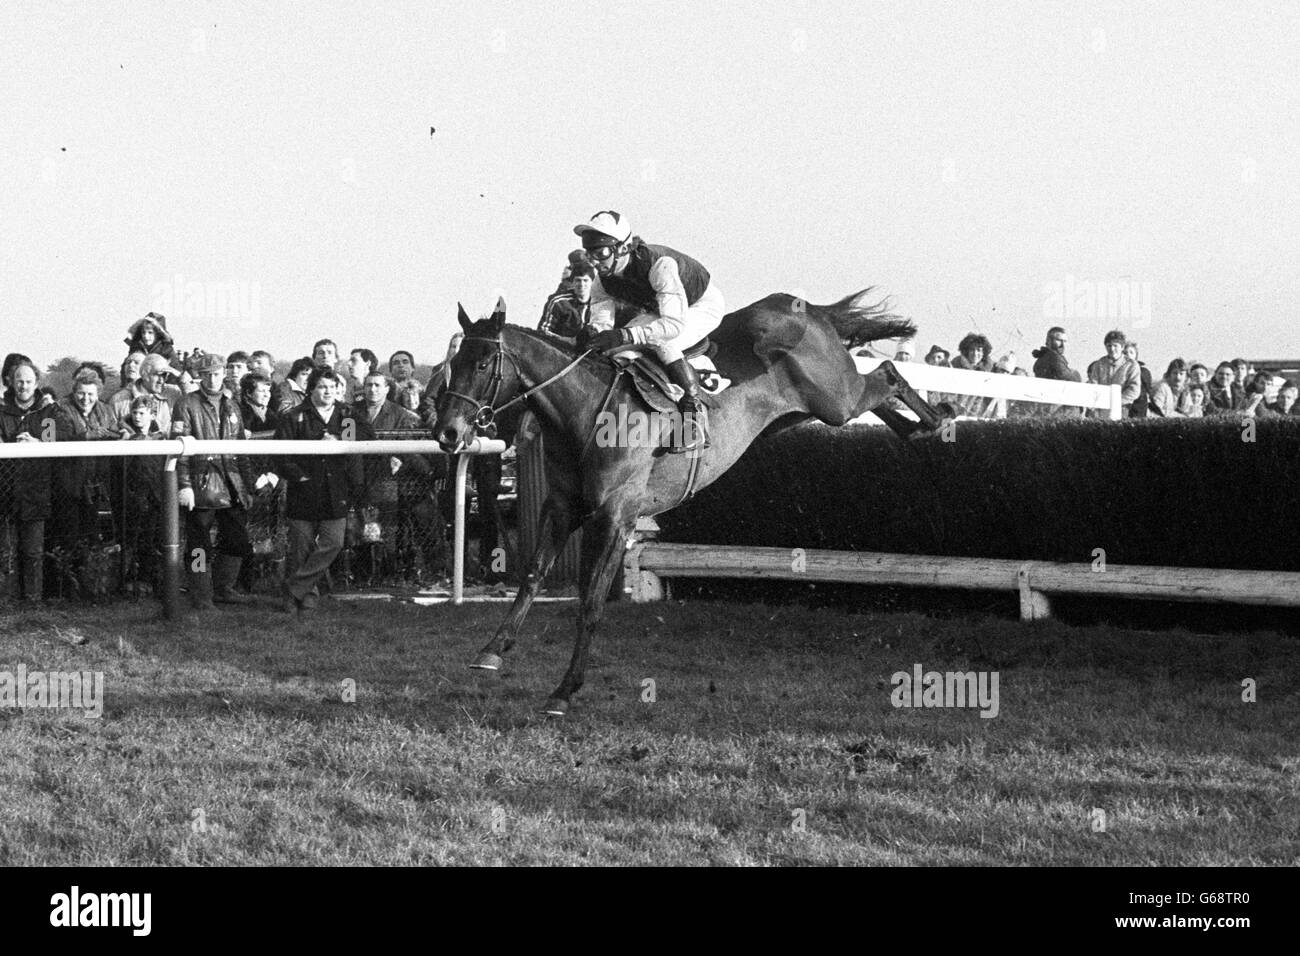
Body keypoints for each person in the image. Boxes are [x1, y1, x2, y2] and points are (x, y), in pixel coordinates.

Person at [573, 210, 724, 452]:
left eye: (600, 253)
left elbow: (673, 325)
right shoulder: (603, 278)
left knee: (663, 342)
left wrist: (623, 335)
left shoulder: (659, 265)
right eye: (589, 254)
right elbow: (602, 313)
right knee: (618, 350)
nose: (594, 262)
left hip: (700, 306)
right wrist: (594, 331)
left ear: (622, 248)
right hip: (661, 308)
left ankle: (694, 418)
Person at [273, 366, 365, 617]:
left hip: (336, 493)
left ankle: (293, 589)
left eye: (332, 387)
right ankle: (307, 598)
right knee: (301, 548)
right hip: (303, 492)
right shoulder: (294, 417)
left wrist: (338, 449)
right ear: (311, 388)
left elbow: (350, 451)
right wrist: (300, 475)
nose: (328, 391)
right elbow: (281, 455)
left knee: (333, 543)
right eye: (322, 387)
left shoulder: (346, 416)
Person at [174, 352, 260, 609]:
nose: (212, 378)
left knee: (237, 541)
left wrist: (248, 485)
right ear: (200, 376)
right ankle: (200, 594)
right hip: (201, 486)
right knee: (199, 546)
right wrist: (185, 486)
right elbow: (179, 450)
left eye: (216, 373)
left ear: (224, 373)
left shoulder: (233, 405)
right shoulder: (186, 404)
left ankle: (223, 588)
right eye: (207, 374)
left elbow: (242, 451)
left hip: (232, 485)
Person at [0, 360, 58, 601]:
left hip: (36, 489)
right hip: (5, 488)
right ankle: (7, 600)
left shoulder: (47, 411)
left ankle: (33, 601)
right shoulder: (1, 410)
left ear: (36, 384)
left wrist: (36, 444)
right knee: (6, 551)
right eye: (19, 381)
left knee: (33, 551)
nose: (23, 386)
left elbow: (51, 441)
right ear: (12, 383)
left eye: (28, 382)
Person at [50, 370, 119, 567]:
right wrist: (88, 436)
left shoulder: (106, 411)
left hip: (97, 483)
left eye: (90, 394)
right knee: (68, 536)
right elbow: (59, 438)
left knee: (94, 536)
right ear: (74, 392)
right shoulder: (60, 409)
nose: (86, 398)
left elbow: (114, 431)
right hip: (69, 483)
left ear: (97, 394)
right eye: (81, 393)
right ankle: (65, 587)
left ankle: (92, 584)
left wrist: (121, 433)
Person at [109, 354, 181, 433]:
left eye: (164, 376)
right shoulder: (119, 400)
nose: (161, 381)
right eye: (158, 375)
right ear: (145, 375)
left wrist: (181, 377)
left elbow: (194, 399)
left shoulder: (172, 393)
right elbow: (111, 431)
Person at [1086, 330, 1141, 417]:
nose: (1112, 349)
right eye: (1109, 346)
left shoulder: (1132, 365)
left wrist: (1116, 402)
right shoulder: (1099, 364)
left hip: (1121, 409)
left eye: (1115, 346)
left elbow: (1134, 389)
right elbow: (1093, 385)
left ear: (1122, 347)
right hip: (1100, 409)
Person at [538, 261, 596, 341]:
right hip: (561, 348)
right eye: (578, 280)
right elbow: (543, 331)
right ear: (572, 282)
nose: (582, 285)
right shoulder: (558, 302)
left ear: (592, 282)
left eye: (585, 280)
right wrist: (567, 340)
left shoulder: (600, 302)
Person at [950, 332, 995, 416]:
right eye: (972, 349)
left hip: (977, 414)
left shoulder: (989, 370)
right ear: (966, 351)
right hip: (953, 411)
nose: (975, 353)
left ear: (983, 353)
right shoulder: (956, 365)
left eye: (979, 350)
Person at [239, 371, 280, 435]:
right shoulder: (240, 414)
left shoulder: (272, 414)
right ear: (249, 393)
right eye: (262, 391)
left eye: (268, 391)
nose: (266, 395)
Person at [1124, 341, 1153, 418]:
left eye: (1131, 352)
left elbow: (1149, 391)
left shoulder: (1143, 371)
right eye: (1125, 353)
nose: (1128, 355)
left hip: (1139, 407)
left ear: (1136, 355)